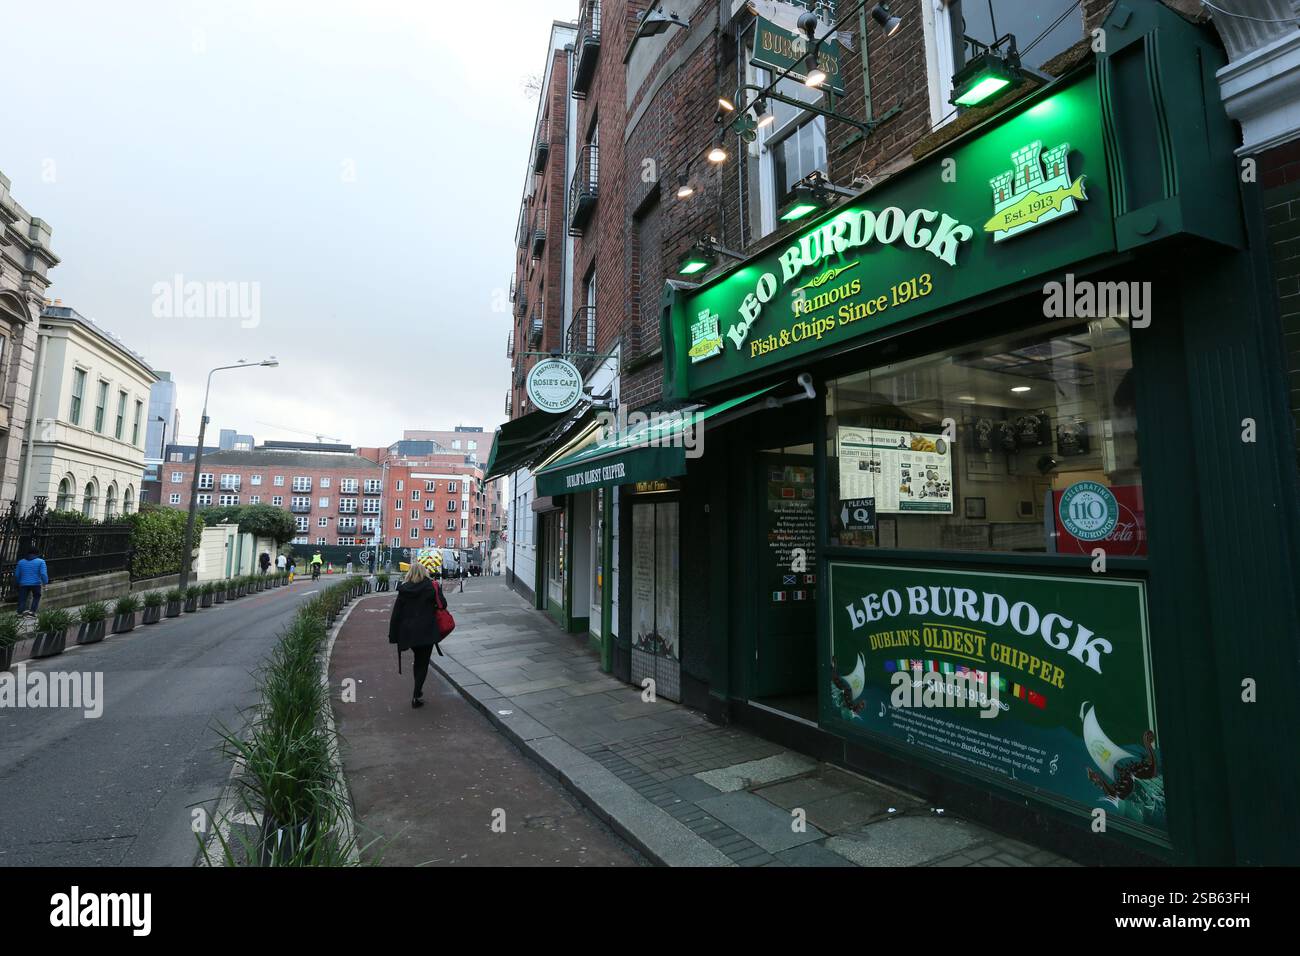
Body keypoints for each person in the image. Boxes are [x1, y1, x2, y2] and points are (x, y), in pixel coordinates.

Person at [388, 553, 447, 709]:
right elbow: (443, 605)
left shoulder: (404, 590)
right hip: (427, 630)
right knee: (423, 662)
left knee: (418, 660)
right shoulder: (431, 586)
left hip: (409, 633)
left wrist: (393, 635)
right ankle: (416, 693)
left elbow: (396, 614)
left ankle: (417, 691)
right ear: (424, 572)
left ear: (410, 574)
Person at [14, 547, 49, 617]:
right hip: (36, 583)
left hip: (23, 583)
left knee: (22, 598)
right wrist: (45, 582)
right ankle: (32, 612)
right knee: (36, 596)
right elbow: (43, 574)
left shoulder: (21, 562)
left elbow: (17, 575)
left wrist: (18, 582)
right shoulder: (41, 561)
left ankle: (20, 613)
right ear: (37, 553)